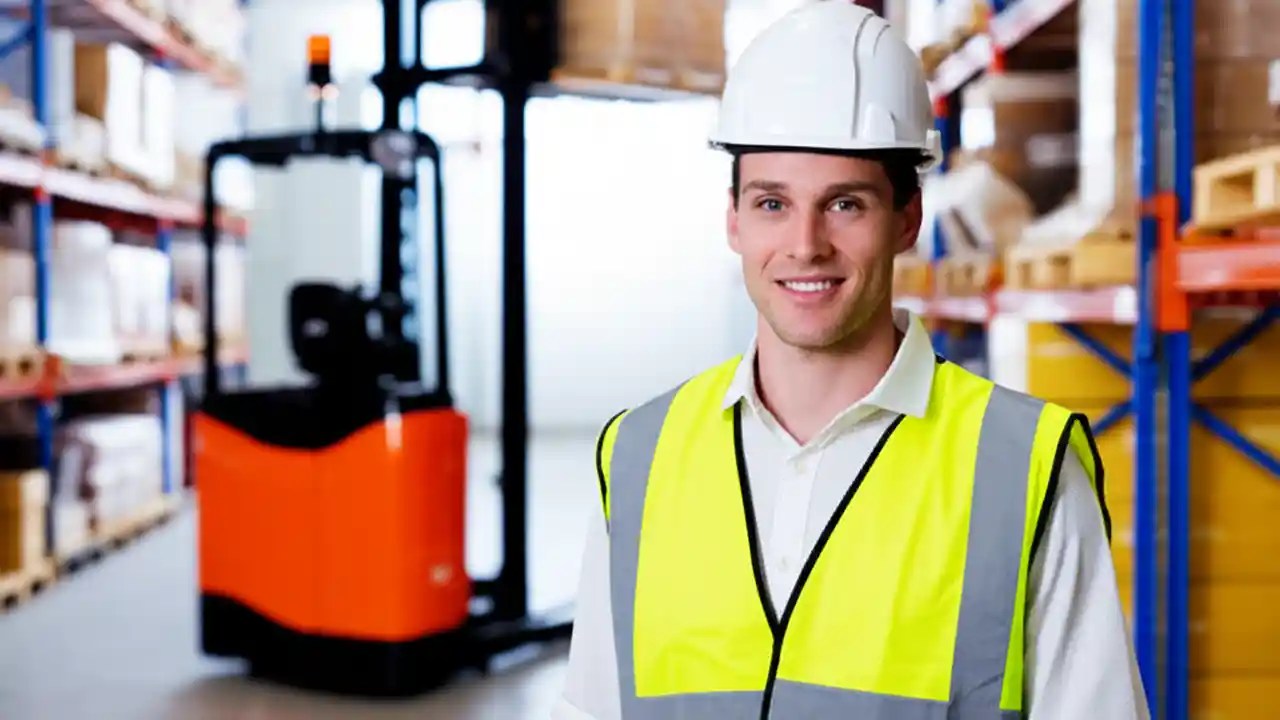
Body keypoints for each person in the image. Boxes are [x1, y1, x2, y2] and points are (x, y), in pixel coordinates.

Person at [553, 3, 1151, 718]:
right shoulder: (638, 458)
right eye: (773, 202)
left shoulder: (1023, 469)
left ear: (906, 220)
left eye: (844, 205)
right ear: (733, 219)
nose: (805, 244)